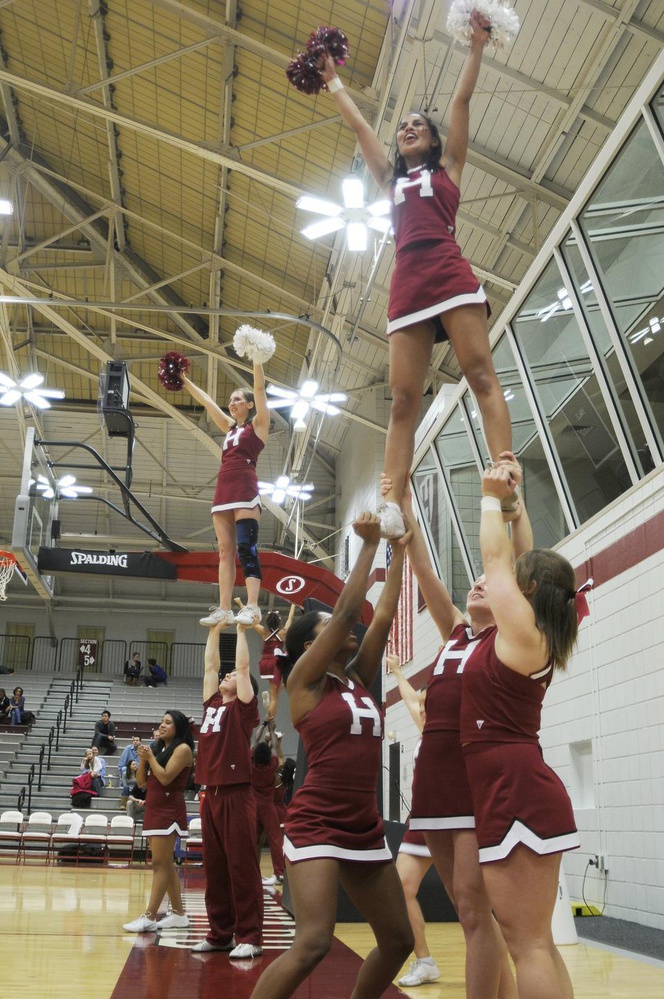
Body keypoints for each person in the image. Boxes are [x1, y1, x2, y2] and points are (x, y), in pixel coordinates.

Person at [317, 11, 512, 539]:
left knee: (480, 374)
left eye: (417, 125)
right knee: (402, 399)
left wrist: (475, 47)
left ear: (432, 140)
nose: (407, 127)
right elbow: (360, 125)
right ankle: (392, 502)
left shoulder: (449, 169)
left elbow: (461, 103)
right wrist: (332, 76)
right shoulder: (387, 179)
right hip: (407, 282)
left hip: (448, 269)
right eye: (403, 124)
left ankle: (505, 463)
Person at [248, 512, 414, 999]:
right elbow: (346, 615)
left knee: (399, 940)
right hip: (317, 821)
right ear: (311, 644)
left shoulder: (358, 678)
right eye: (329, 627)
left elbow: (379, 615)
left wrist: (398, 550)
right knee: (314, 942)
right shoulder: (303, 682)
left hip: (363, 824)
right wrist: (367, 546)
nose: (348, 630)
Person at [391, 465, 528, 999]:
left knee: (473, 910)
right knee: (471, 911)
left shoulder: (505, 644)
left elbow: (516, 557)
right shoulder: (453, 632)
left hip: (473, 786)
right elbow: (424, 569)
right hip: (432, 786)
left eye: (488, 582)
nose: (477, 582)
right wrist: (405, 506)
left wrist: (508, 503)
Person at [460, 464, 583, 999]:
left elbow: (494, 560)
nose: (496, 581)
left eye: (513, 579)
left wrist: (488, 498)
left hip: (516, 789)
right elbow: (514, 558)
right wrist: (515, 507)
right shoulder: (522, 631)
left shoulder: (525, 635)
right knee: (536, 942)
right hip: (514, 786)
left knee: (528, 944)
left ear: (526, 590)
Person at [192, 618, 264, 958]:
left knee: (242, 867)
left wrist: (240, 628)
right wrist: (214, 630)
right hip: (211, 795)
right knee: (216, 869)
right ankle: (221, 934)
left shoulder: (244, 709)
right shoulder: (211, 705)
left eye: (231, 676)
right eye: (227, 674)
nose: (226, 676)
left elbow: (243, 665)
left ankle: (249, 936)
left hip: (237, 793)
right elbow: (210, 666)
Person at [182, 361, 270, 628]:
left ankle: (253, 606)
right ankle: (224, 609)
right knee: (224, 551)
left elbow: (259, 387)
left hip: (245, 487)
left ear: (250, 405)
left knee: (246, 547)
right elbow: (208, 402)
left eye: (237, 399)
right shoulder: (230, 428)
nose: (231, 403)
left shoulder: (259, 425)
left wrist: (256, 359)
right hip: (224, 489)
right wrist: (184, 380)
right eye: (230, 400)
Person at [387, 657, 440, 988]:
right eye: (421, 705)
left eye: (427, 704)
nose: (420, 709)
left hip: (454, 822)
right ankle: (425, 961)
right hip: (421, 821)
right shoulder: (425, 730)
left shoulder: (452, 732)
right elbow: (409, 699)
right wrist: (396, 671)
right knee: (401, 888)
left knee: (476, 902)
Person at [123, 710, 195, 933]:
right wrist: (144, 759)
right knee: (165, 865)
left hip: (169, 809)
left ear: (179, 728)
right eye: (162, 722)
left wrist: (150, 758)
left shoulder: (183, 749)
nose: (162, 726)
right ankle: (180, 915)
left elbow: (164, 777)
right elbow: (142, 783)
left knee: (159, 865)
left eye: (168, 723)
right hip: (155, 808)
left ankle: (150, 916)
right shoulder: (160, 748)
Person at [248, 601, 296, 720]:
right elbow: (290, 619)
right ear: (279, 622)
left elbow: (251, 620)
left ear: (268, 622)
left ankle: (269, 699)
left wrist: (240, 605)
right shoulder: (283, 632)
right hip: (276, 664)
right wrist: (293, 605)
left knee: (279, 687)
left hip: (264, 663)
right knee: (276, 697)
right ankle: (269, 722)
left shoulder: (264, 632)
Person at [251, 721, 285, 886]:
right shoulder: (272, 765)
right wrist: (272, 728)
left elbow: (255, 741)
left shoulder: (251, 765)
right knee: (275, 839)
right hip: (268, 806)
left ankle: (252, 872)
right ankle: (279, 874)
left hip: (253, 807)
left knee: (254, 841)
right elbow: (275, 751)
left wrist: (263, 726)